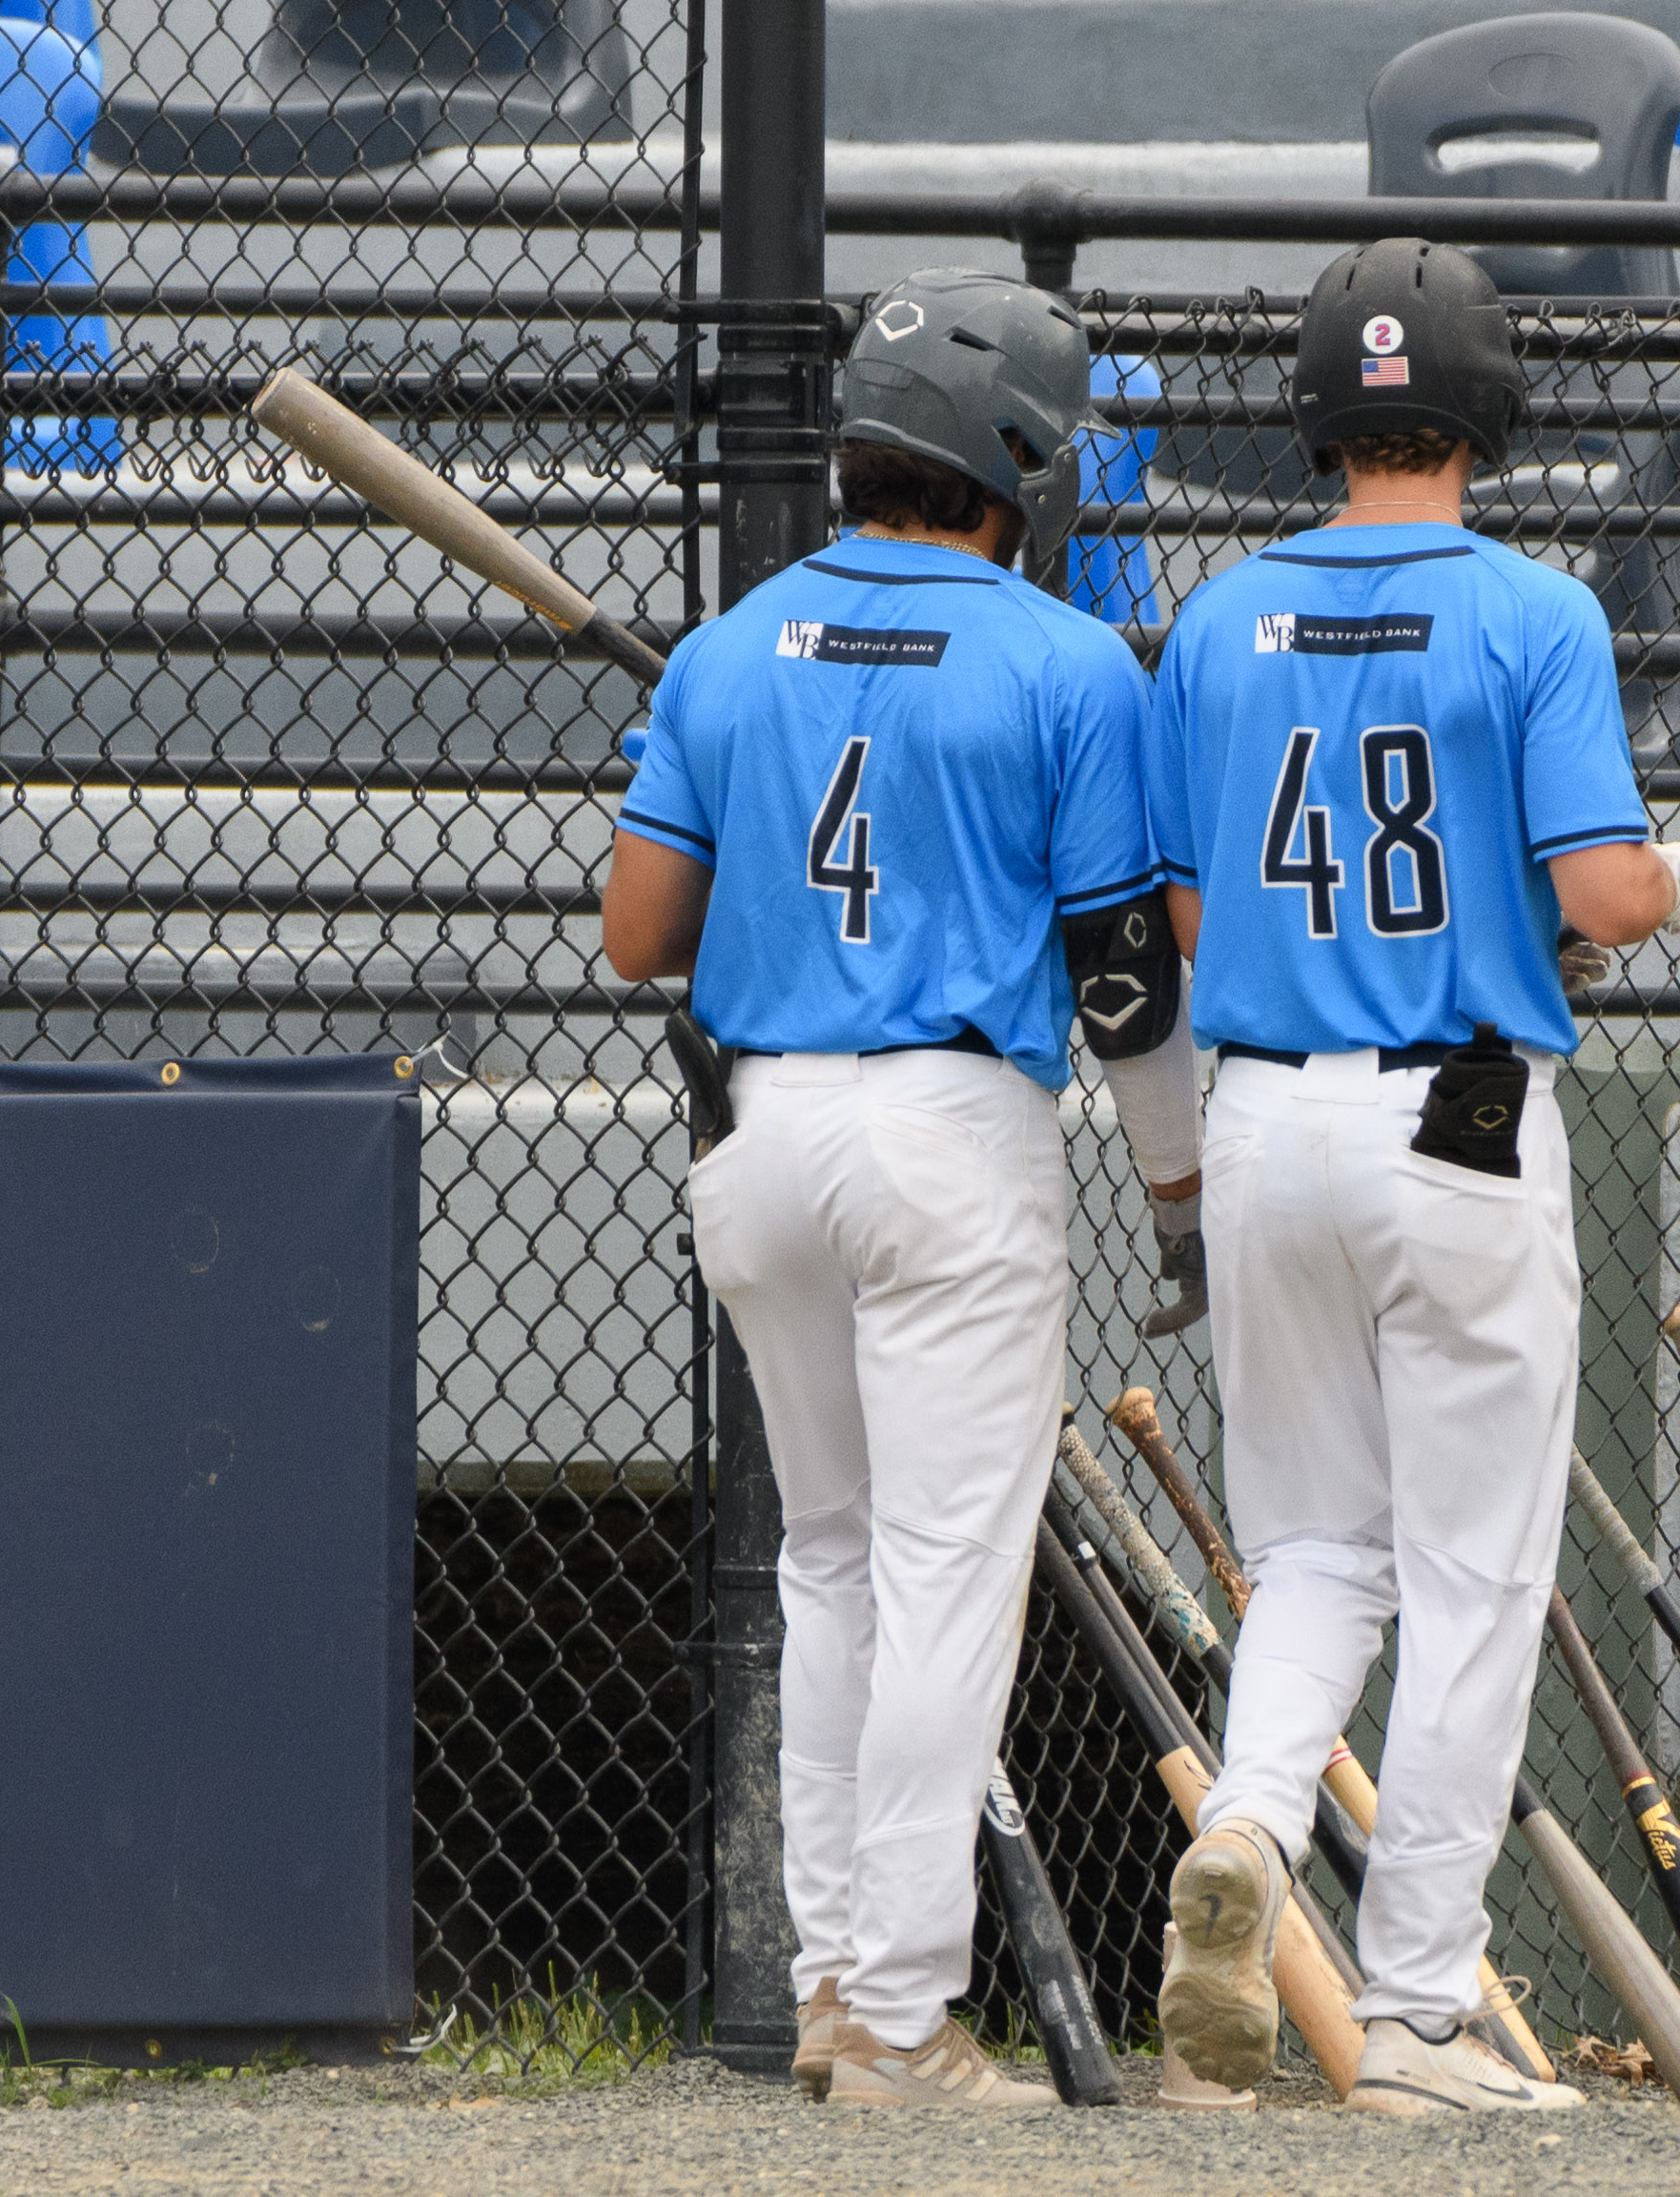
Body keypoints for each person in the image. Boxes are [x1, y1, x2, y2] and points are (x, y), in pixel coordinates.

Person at [1142, 238, 1680, 2114]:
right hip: (1462, 1115)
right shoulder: (1534, 607)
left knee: (1318, 1550)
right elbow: (1598, 893)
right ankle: (1408, 2012)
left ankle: (1247, 1824)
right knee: (1477, 1577)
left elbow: (1183, 914)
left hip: (1260, 1120)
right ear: (1486, 408)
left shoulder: (1219, 613)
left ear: (1321, 416)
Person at [600, 268, 1204, 2111]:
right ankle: (896, 2016)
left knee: (835, 1562)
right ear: (1014, 458)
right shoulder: (1067, 658)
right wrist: (1179, 1187)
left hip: (765, 1137)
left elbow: (637, 936)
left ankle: (832, 1986)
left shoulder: (728, 644)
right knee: (948, 1575)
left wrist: (746, 787)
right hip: (951, 1135)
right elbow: (1126, 978)